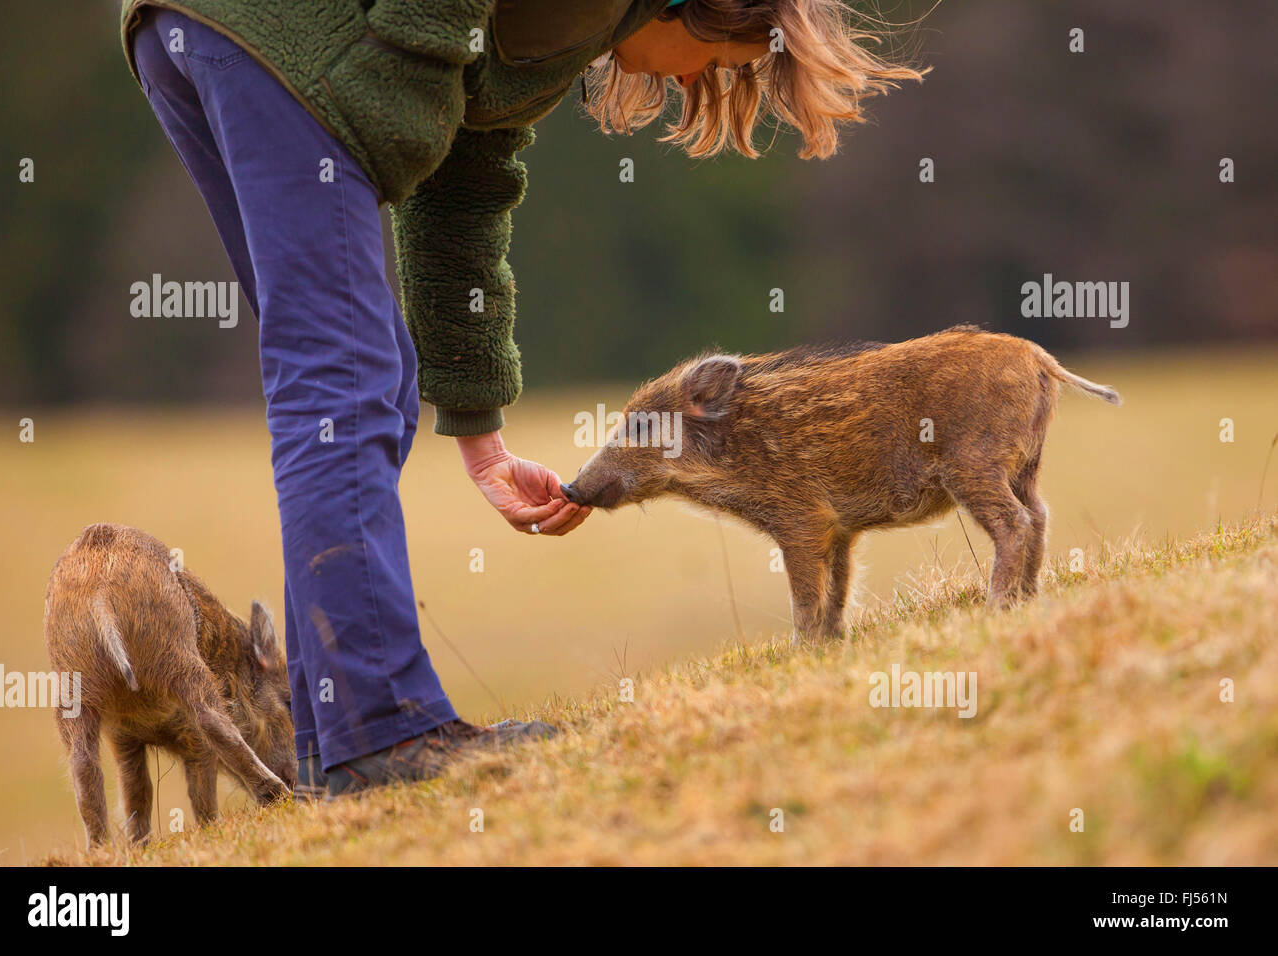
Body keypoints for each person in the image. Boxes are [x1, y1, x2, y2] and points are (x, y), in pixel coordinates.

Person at [119, 0, 923, 798]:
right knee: (340, 376)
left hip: (197, 33)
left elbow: (461, 193)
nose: (693, 84)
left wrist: (480, 433)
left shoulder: (561, 34)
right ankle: (381, 732)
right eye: (715, 61)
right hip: (261, 35)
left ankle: (334, 744)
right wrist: (409, 58)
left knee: (357, 378)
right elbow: (432, 58)